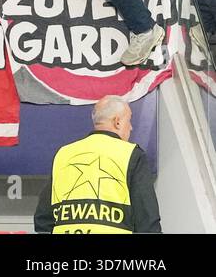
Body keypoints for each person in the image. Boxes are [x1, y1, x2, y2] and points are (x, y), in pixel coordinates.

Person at [34, 95, 160, 234]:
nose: (130, 127)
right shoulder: (131, 154)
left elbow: (43, 219)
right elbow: (147, 220)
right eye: (129, 120)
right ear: (117, 122)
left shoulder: (64, 154)